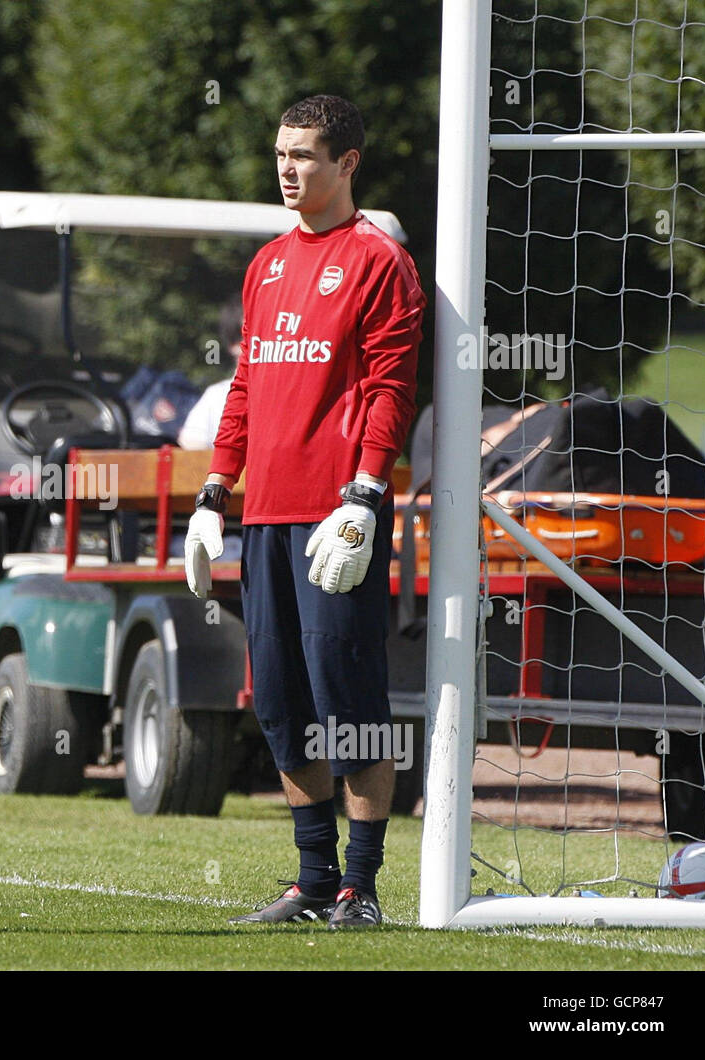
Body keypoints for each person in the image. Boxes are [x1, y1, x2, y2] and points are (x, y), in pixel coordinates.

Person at [184, 95, 423, 928]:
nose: (288, 169)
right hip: (266, 517)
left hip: (337, 519)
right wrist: (217, 487)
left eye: (306, 156)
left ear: (348, 162)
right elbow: (246, 387)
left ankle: (362, 885)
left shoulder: (379, 262)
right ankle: (313, 880)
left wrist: (365, 492)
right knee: (282, 701)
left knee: (349, 702)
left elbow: (393, 388)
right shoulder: (267, 265)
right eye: (281, 153)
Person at [177, 302, 244, 451]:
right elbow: (190, 446)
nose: (251, 344)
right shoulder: (215, 396)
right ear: (231, 345)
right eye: (242, 336)